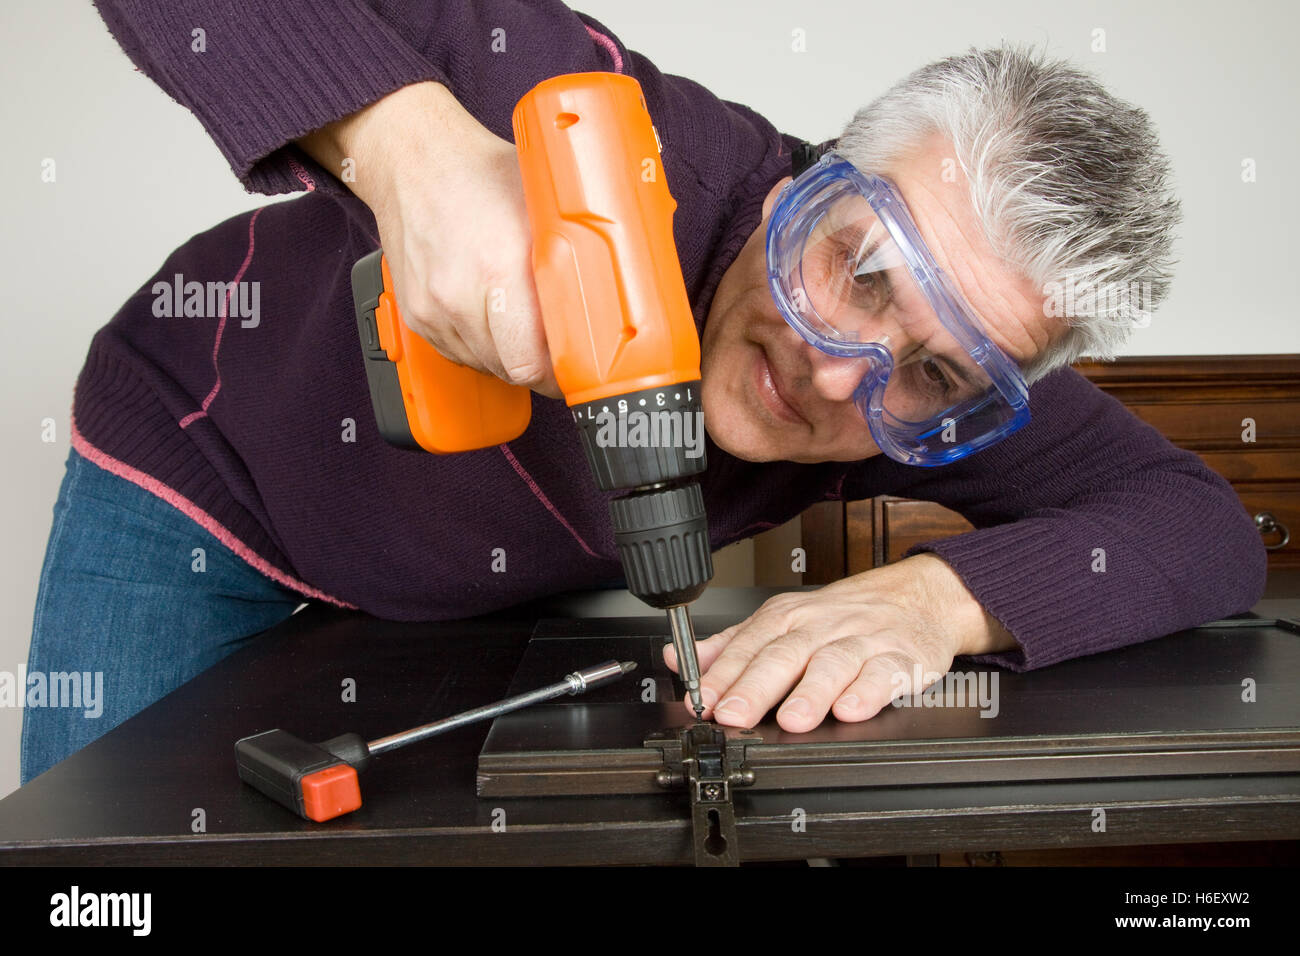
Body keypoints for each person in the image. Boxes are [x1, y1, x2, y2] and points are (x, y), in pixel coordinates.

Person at [21, 0, 1264, 783]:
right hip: (195, 480)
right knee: (104, 878)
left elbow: (1200, 525)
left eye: (934, 366)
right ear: (799, 185)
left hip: (440, 595)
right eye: (859, 269)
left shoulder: (918, 402)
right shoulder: (591, 123)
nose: (840, 368)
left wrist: (943, 599)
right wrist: (408, 147)